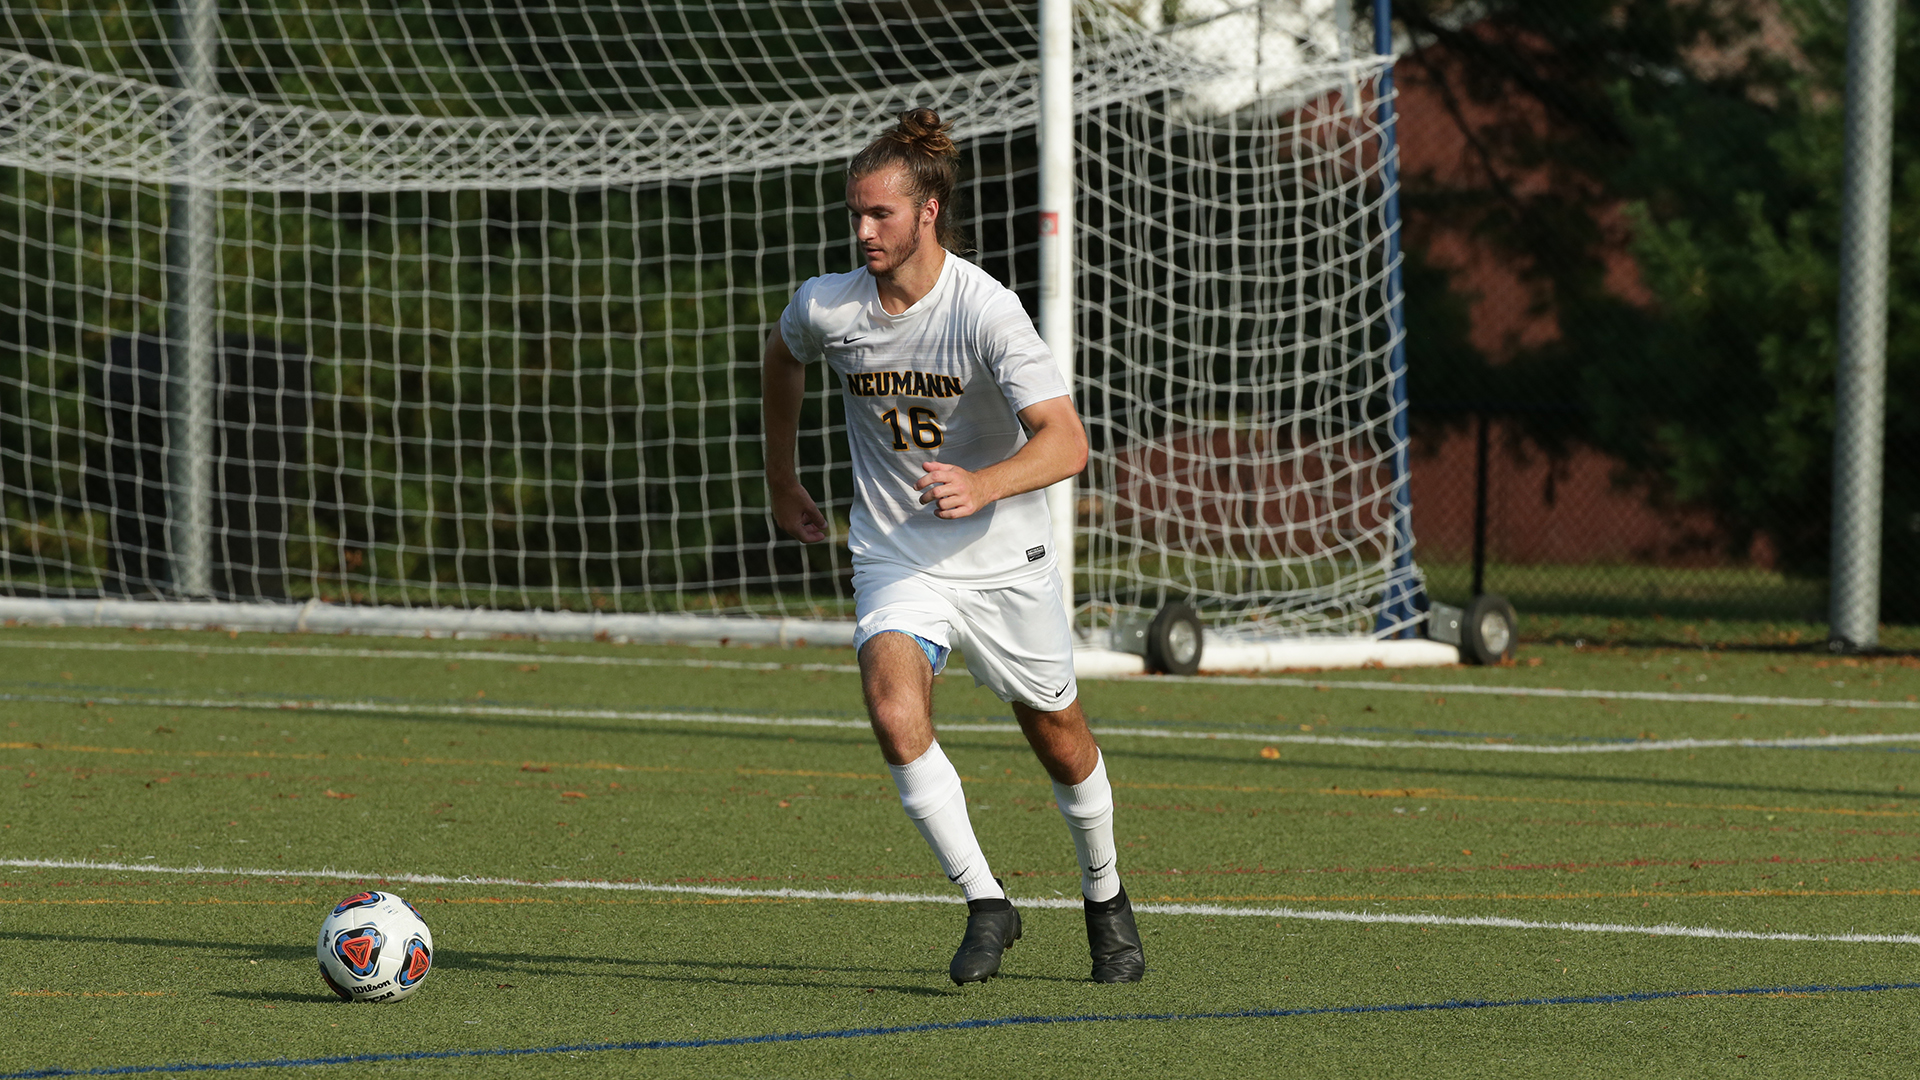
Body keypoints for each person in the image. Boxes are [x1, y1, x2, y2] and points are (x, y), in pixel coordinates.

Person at [761, 107, 1145, 985]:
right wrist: (783, 481)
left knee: (1058, 735)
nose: (862, 231)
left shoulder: (985, 309)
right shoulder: (828, 305)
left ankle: (1105, 894)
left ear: (927, 211)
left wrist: (982, 482)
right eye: (854, 214)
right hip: (898, 554)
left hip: (1006, 559)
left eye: (879, 214)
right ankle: (986, 902)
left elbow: (1066, 441)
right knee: (895, 713)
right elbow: (781, 358)